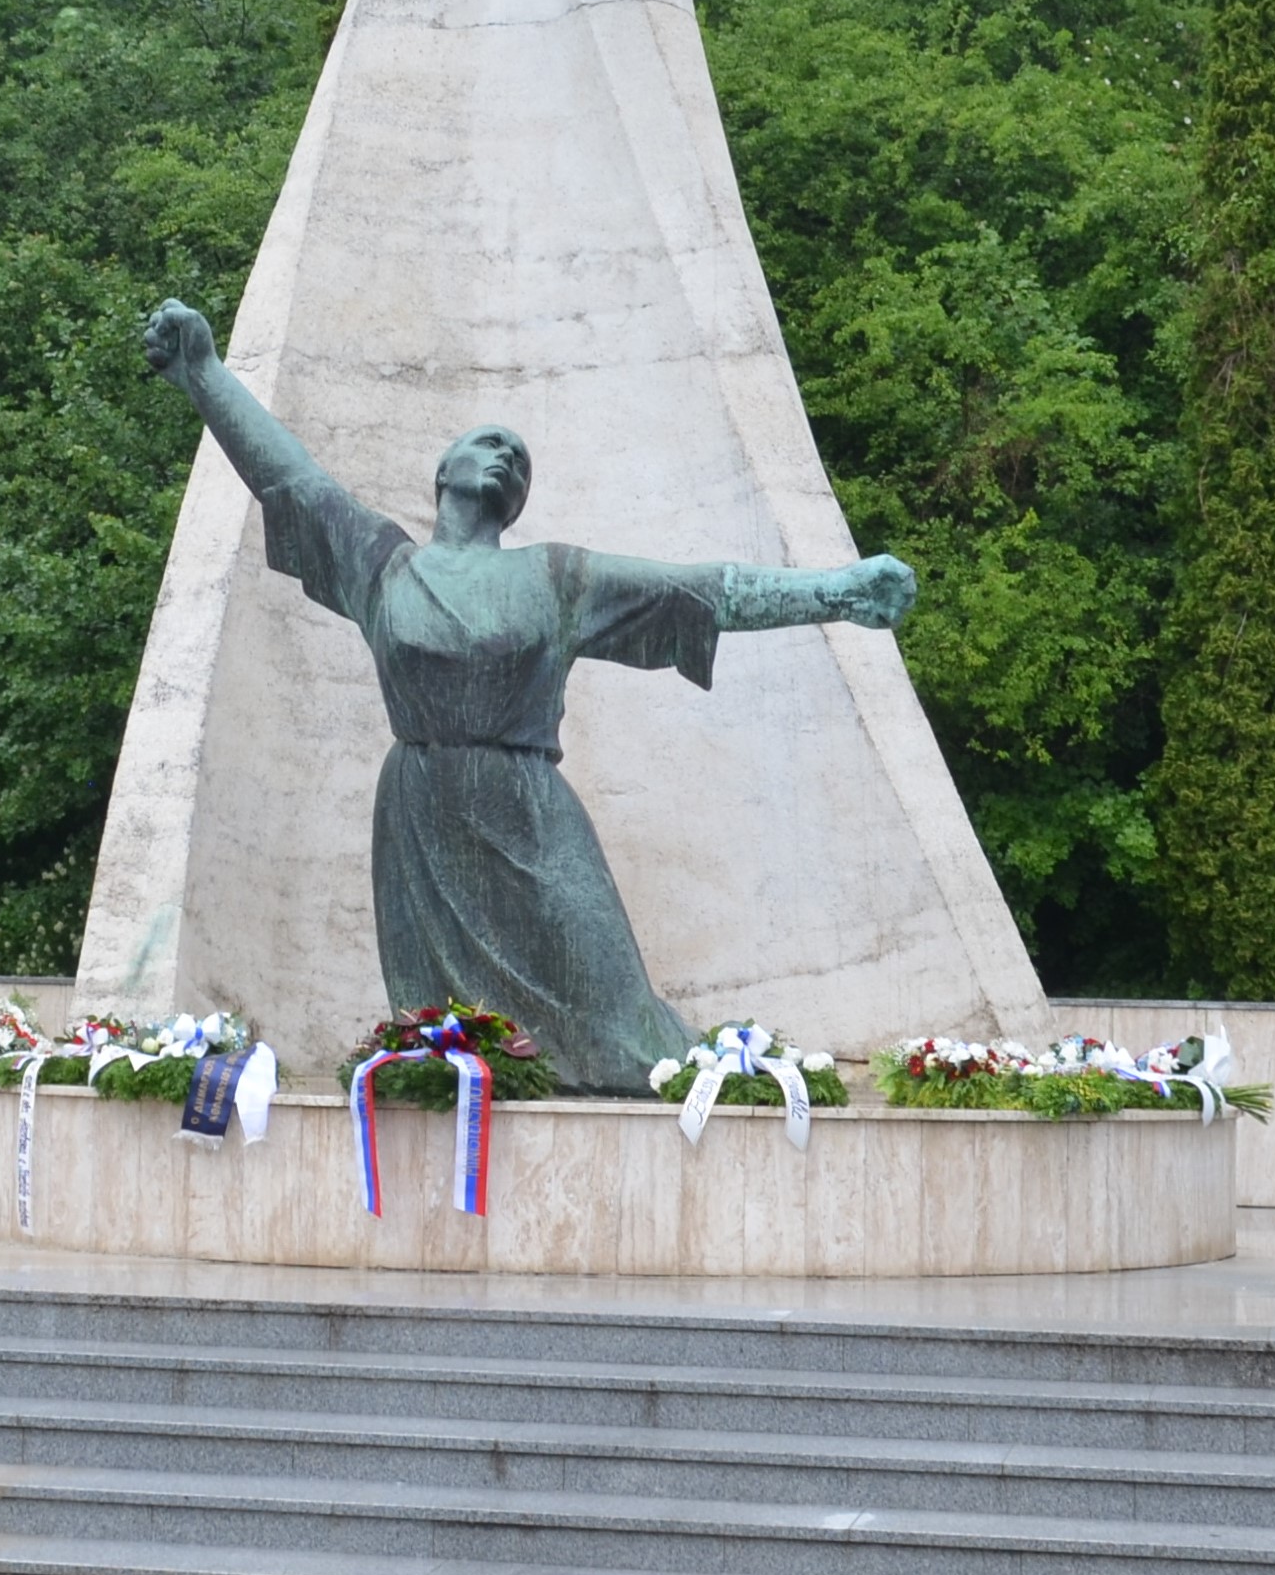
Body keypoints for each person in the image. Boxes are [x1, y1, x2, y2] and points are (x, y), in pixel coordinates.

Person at [142, 299, 915, 1094]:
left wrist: (835, 591)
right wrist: (202, 373)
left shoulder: (556, 577)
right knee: (452, 1042)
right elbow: (289, 477)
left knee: (622, 1020)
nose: (508, 454)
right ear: (444, 473)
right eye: (489, 443)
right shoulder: (384, 568)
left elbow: (699, 592)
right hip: (421, 813)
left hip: (529, 812)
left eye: (519, 457)